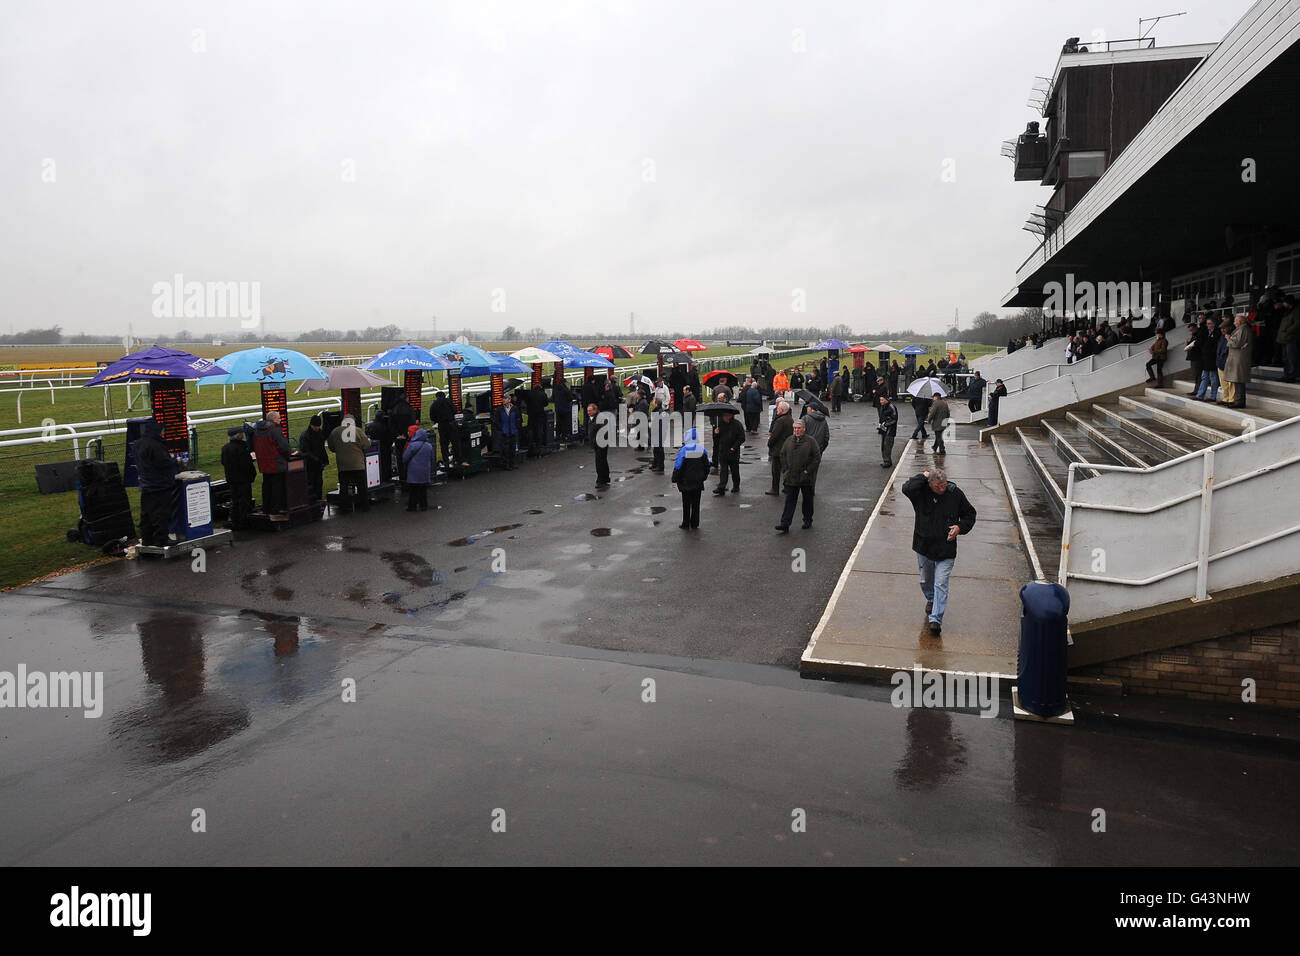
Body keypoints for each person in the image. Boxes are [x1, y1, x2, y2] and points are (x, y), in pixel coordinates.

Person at [901, 466, 977, 636]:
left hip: (946, 548)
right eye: (937, 486)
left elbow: (970, 514)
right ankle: (931, 598)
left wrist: (959, 527)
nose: (941, 489)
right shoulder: (920, 492)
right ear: (930, 484)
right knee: (925, 580)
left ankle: (935, 619)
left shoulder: (955, 493)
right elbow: (906, 488)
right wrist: (923, 476)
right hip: (924, 546)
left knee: (941, 583)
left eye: (943, 485)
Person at [135, 419, 177, 546]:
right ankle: (161, 540)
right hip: (159, 485)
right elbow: (162, 463)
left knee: (147, 514)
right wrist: (175, 461)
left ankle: (147, 539)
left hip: (145, 484)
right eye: (162, 430)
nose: (163, 433)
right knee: (161, 514)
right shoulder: (156, 445)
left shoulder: (138, 443)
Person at [775, 418, 821, 532]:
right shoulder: (789, 440)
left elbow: (816, 458)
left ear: (804, 429)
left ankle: (807, 520)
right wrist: (785, 470)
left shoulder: (811, 441)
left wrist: (807, 471)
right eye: (795, 428)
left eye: (799, 428)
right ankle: (785, 523)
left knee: (807, 500)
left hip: (806, 477)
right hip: (791, 476)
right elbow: (782, 454)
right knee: (790, 501)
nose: (796, 430)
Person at [328, 414, 371, 512]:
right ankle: (364, 506)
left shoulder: (335, 431)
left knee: (344, 487)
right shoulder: (358, 430)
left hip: (343, 465)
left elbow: (331, 447)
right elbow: (367, 445)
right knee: (361, 486)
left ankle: (344, 507)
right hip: (357, 464)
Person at [253, 410, 292, 516]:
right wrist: (288, 455)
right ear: (274, 419)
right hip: (276, 464)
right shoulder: (275, 430)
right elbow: (284, 447)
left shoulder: (257, 430)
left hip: (263, 464)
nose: (280, 420)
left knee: (267, 487)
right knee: (277, 488)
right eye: (279, 418)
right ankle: (276, 510)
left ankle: (267, 508)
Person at [671, 427, 710, 529]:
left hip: (686, 482)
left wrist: (675, 478)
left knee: (686, 503)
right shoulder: (702, 450)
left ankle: (685, 523)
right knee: (696, 504)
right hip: (698, 482)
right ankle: (695, 523)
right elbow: (707, 466)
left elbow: (678, 466)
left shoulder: (684, 450)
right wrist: (703, 477)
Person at [220, 426, 256, 530]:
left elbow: (223, 462)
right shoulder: (241, 448)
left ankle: (234, 521)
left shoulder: (225, 448)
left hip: (231, 478)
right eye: (241, 434)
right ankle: (244, 522)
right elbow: (246, 464)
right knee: (244, 501)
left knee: (234, 500)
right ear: (238, 435)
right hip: (243, 479)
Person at [712, 408, 745, 496]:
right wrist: (716, 433)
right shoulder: (720, 424)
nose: (724, 417)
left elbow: (742, 438)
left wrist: (734, 447)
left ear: (730, 416)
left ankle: (736, 486)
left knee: (734, 470)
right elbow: (716, 439)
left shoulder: (737, 424)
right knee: (723, 470)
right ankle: (721, 488)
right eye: (723, 416)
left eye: (726, 415)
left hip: (733, 452)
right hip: (723, 451)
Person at [402, 427, 435, 511]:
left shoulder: (412, 445)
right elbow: (432, 458)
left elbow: (405, 458)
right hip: (425, 471)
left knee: (413, 490)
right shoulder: (429, 446)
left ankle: (412, 507)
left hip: (414, 471)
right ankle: (423, 506)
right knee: (423, 490)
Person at [298, 415, 329, 503]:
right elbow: (306, 451)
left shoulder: (320, 433)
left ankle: (318, 501)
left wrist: (324, 460)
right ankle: (311, 502)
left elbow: (322, 448)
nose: (317, 428)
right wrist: (316, 459)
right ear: (311, 425)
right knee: (310, 483)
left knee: (319, 483)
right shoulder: (305, 436)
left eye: (318, 426)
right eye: (315, 426)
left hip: (318, 464)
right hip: (309, 464)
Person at [430, 390, 465, 469]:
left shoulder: (434, 404)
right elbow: (455, 410)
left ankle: (446, 461)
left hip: (442, 425)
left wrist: (437, 420)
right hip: (451, 424)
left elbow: (432, 416)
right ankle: (458, 460)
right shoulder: (449, 401)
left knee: (444, 444)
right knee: (455, 442)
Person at [766, 399, 794, 496]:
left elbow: (774, 435)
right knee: (785, 469)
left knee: (776, 471)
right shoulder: (790, 419)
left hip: (778, 449)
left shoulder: (780, 421)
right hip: (787, 448)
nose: (777, 410)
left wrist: (769, 444)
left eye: (778, 408)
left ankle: (775, 489)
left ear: (782, 410)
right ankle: (787, 487)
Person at [1225, 314, 1252, 409]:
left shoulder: (1243, 329)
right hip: (1238, 357)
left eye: (1235, 321)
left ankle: (1240, 401)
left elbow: (1238, 343)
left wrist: (1229, 339)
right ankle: (1238, 400)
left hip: (1240, 358)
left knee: (1239, 380)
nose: (1234, 323)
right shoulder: (1242, 329)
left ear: (1240, 321)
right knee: (1237, 380)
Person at [495, 393, 521, 469]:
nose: (503, 400)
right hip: (504, 432)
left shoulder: (515, 408)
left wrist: (516, 427)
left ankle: (513, 463)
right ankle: (506, 464)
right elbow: (496, 420)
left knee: (513, 448)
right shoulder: (499, 409)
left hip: (513, 431)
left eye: (505, 398)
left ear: (509, 400)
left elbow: (518, 418)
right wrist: (501, 428)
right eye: (503, 398)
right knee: (505, 449)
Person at [588, 403, 611, 487]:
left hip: (601, 443)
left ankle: (601, 480)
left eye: (590, 410)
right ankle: (605, 478)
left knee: (600, 462)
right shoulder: (593, 418)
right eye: (588, 411)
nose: (588, 412)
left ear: (595, 410)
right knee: (602, 461)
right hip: (597, 443)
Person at [526, 382, 549, 456]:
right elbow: (546, 404)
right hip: (539, 415)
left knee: (531, 430)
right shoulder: (543, 394)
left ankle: (530, 445)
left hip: (531, 415)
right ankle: (539, 447)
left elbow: (527, 402)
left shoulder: (530, 393)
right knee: (539, 430)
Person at [877, 394, 897, 468]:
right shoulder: (882, 407)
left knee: (887, 446)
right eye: (880, 400)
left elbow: (894, 419)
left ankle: (887, 461)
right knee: (883, 446)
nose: (881, 401)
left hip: (890, 430)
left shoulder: (891, 407)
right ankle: (886, 460)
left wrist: (886, 424)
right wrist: (880, 425)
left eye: (882, 400)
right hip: (883, 429)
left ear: (886, 400)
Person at [552, 375, 574, 442]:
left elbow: (552, 398)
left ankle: (558, 435)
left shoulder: (555, 389)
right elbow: (570, 398)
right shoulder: (566, 389)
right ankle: (564, 436)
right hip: (566, 409)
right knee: (565, 423)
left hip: (558, 409)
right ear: (564, 382)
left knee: (559, 423)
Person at [650, 391, 667, 472]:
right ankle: (655, 463)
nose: (652, 403)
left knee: (659, 451)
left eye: (654, 402)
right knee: (656, 450)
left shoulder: (660, 412)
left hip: (659, 434)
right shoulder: (656, 411)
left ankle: (660, 466)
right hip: (657, 434)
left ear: (656, 404)